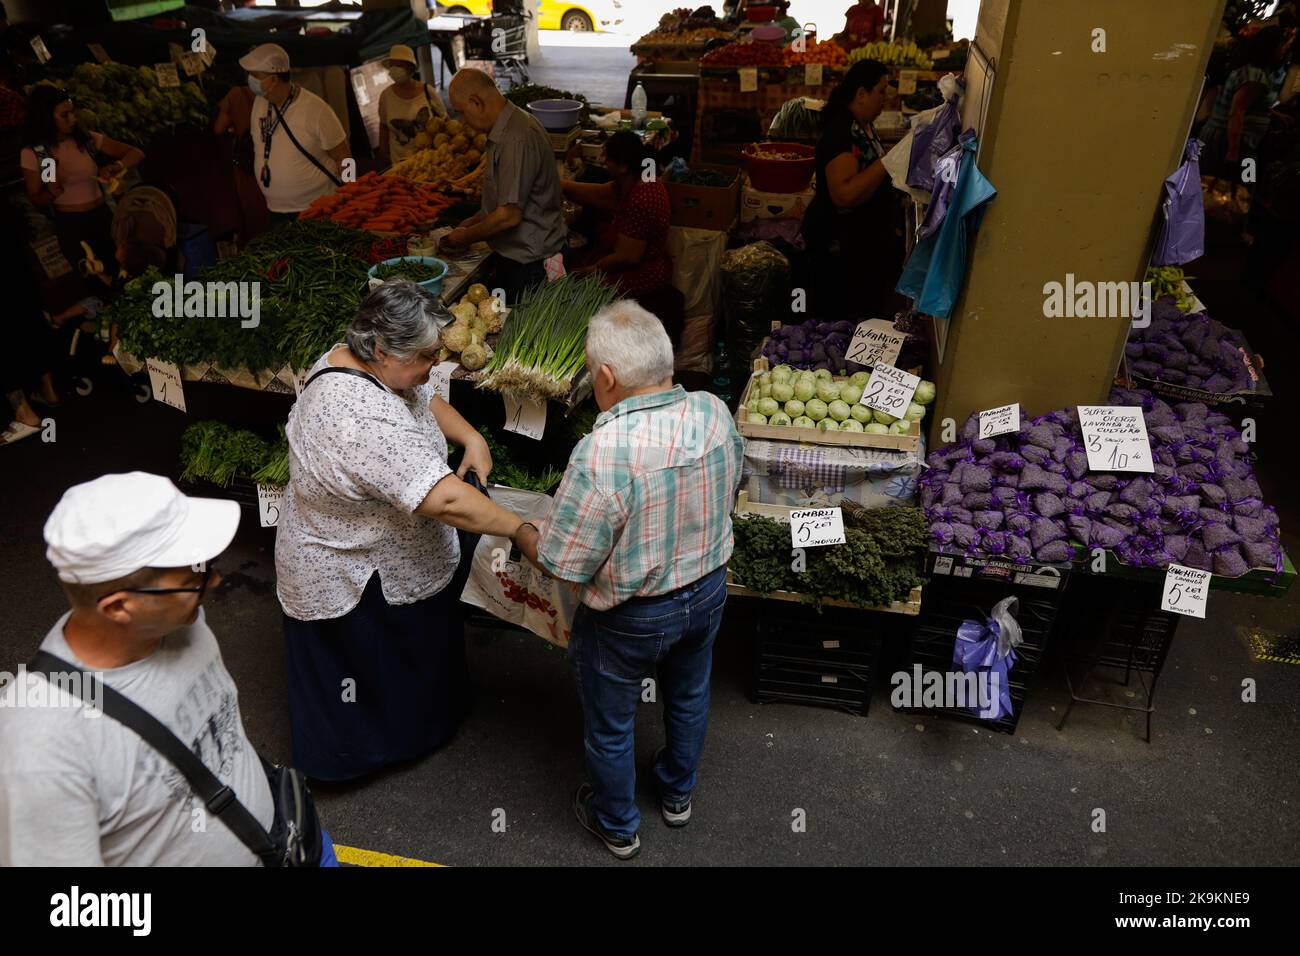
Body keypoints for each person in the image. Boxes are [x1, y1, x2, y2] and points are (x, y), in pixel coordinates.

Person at [275, 281, 532, 782]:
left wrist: (470, 437)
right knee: (370, 671)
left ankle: (421, 728)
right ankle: (359, 761)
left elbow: (423, 396)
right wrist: (520, 530)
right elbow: (445, 500)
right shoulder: (352, 417)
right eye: (425, 356)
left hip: (395, 554)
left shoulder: (360, 360)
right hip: (353, 570)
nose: (433, 367)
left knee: (414, 658)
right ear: (379, 348)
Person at [516, 302, 745, 859]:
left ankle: (617, 824)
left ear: (607, 377)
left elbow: (564, 564)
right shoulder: (715, 411)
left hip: (631, 618)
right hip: (709, 589)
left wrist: (522, 530)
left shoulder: (602, 453)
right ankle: (676, 794)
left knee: (611, 724)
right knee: (689, 696)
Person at [0, 473, 277, 865]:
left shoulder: (178, 621)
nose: (213, 580)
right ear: (118, 607)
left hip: (295, 844)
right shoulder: (39, 748)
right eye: (191, 577)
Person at [445, 67, 566, 303]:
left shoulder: (515, 138)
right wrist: (475, 220)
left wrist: (465, 237)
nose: (462, 122)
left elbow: (508, 216)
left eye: (461, 112)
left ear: (476, 102)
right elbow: (504, 199)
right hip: (521, 258)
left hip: (531, 264)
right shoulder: (507, 127)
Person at [800, 58, 898, 318]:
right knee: (839, 321)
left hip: (860, 246)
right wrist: (888, 161)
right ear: (861, 94)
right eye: (881, 90)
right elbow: (844, 195)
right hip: (839, 249)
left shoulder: (863, 125)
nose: (885, 98)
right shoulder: (841, 133)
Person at [561, 131, 683, 341]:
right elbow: (598, 193)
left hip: (642, 272)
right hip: (629, 260)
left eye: (607, 158)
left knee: (576, 290)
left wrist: (591, 270)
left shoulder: (643, 197)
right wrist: (558, 184)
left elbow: (628, 257)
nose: (603, 161)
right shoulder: (635, 179)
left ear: (624, 166)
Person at [20, 85, 144, 289]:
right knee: (99, 283)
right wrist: (52, 192)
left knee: (126, 274)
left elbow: (136, 153)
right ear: (45, 117)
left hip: (103, 217)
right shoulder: (38, 152)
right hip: (72, 226)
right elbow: (36, 197)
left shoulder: (86, 140)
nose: (73, 119)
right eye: (64, 115)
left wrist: (117, 166)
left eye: (72, 112)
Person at [240, 43, 351, 226]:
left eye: (255, 75)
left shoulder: (316, 110)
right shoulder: (259, 103)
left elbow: (344, 157)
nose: (249, 79)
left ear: (274, 79)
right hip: (276, 210)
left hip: (318, 209)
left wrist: (352, 194)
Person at [1198, 27, 1292, 177]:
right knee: (1242, 184)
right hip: (1232, 142)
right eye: (1281, 46)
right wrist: (1233, 151)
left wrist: (1274, 114)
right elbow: (1237, 111)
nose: (1283, 51)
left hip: (1227, 138)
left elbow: (1250, 105)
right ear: (1270, 48)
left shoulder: (1250, 70)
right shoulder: (1255, 77)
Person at [213, 78, 270, 241]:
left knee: (255, 213)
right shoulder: (275, 92)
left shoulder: (235, 95)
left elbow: (218, 128)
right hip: (274, 159)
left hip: (249, 165)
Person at [378, 43, 448, 166]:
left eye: (399, 65)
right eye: (392, 65)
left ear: (410, 68)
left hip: (429, 161)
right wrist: (383, 155)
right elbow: (383, 126)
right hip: (399, 163)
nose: (394, 69)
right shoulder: (386, 96)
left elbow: (445, 120)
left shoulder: (427, 91)